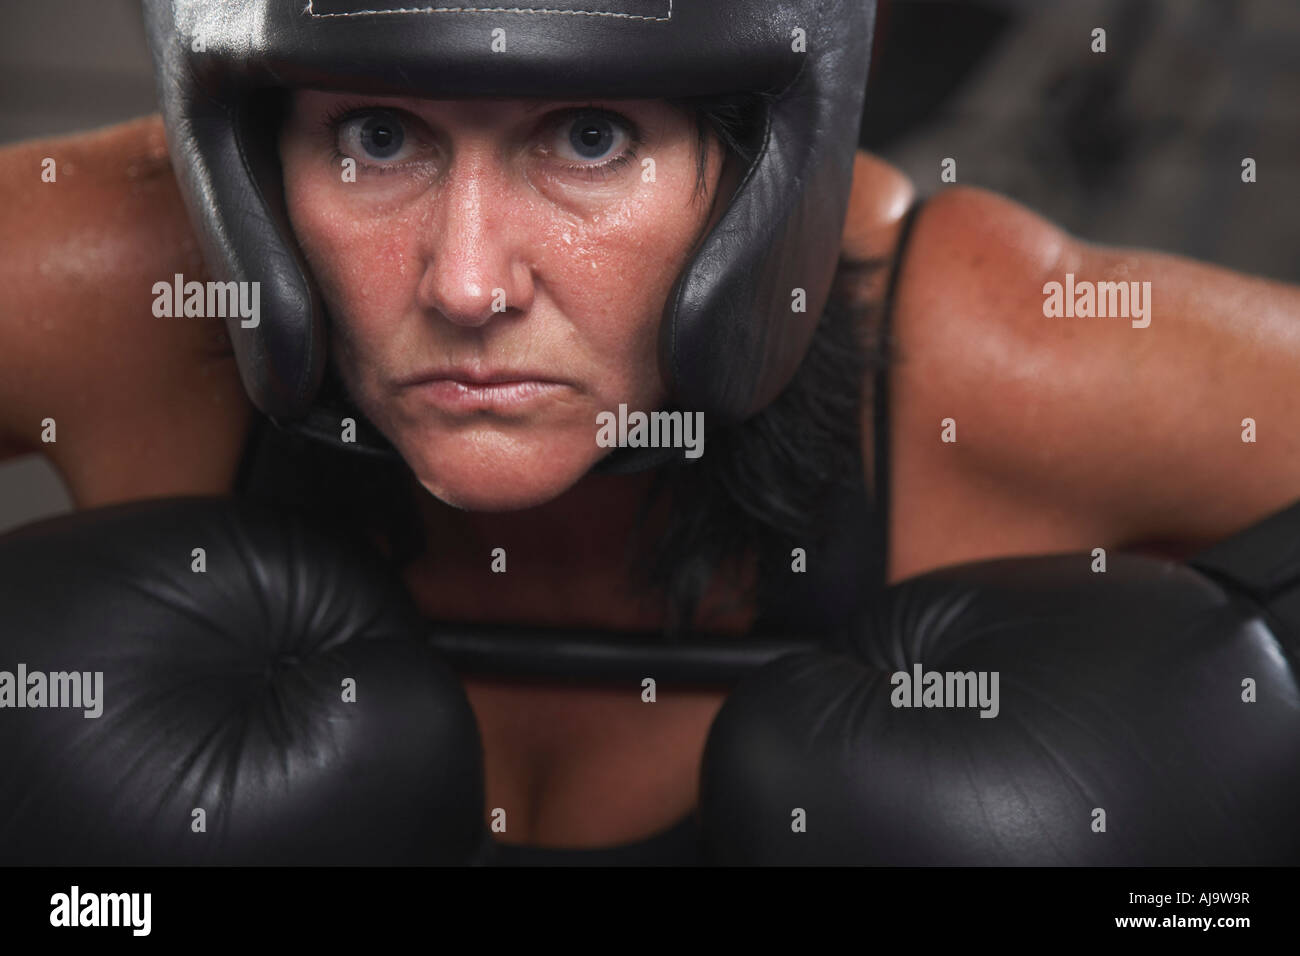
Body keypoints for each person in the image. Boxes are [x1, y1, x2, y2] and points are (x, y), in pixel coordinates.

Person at [1, 0, 1299, 863]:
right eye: (377, 138)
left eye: (590, 138)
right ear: (244, 162)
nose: (468, 284)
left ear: (767, 164)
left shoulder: (989, 358)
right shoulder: (125, 287)